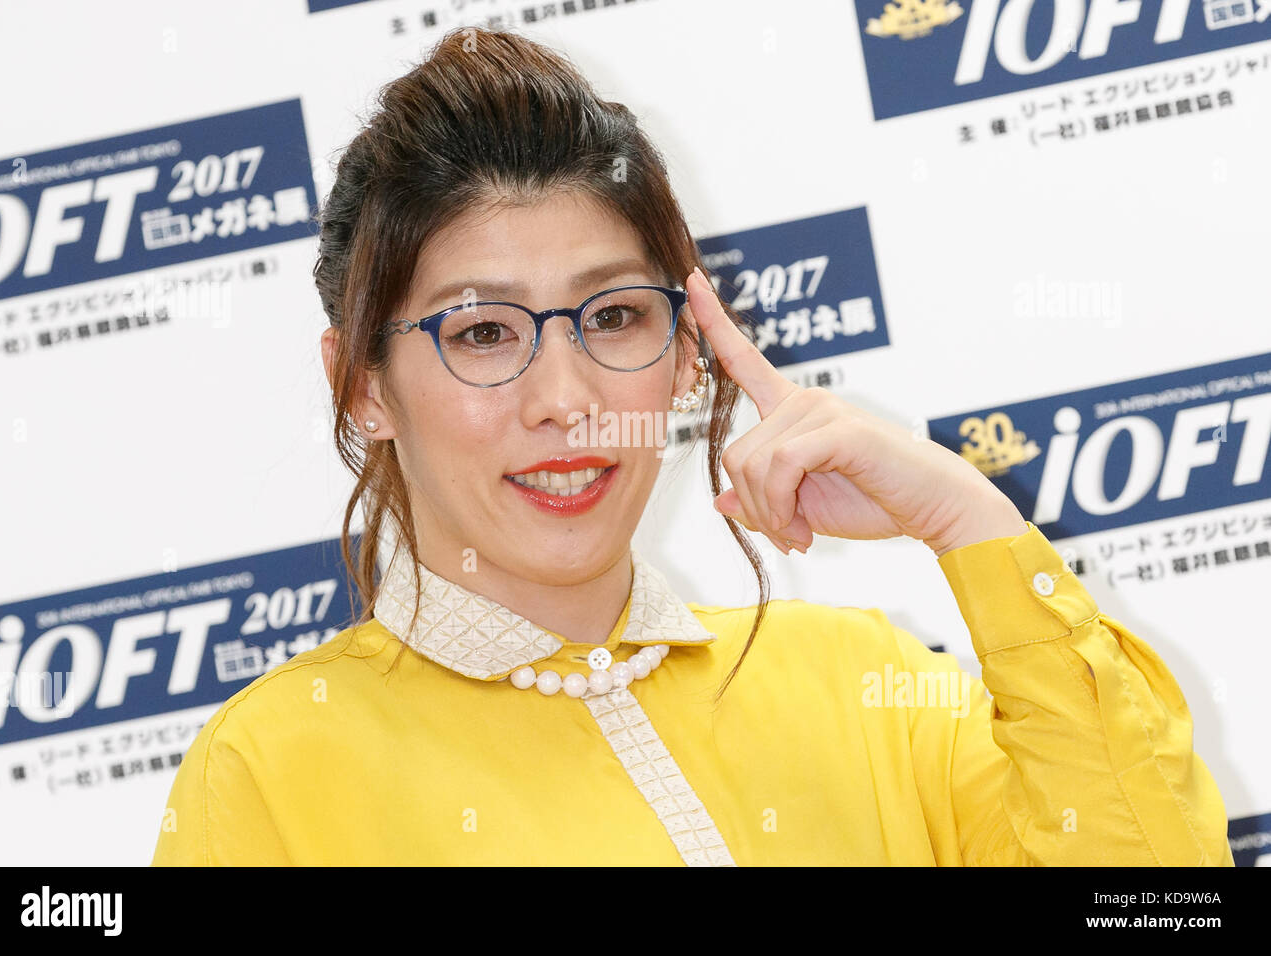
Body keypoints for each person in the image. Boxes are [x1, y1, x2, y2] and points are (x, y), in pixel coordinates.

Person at [151, 27, 1233, 866]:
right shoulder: (273, 771)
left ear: (685, 350)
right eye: (482, 331)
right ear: (361, 385)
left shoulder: (864, 684)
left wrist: (970, 522)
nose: (565, 398)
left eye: (613, 315)